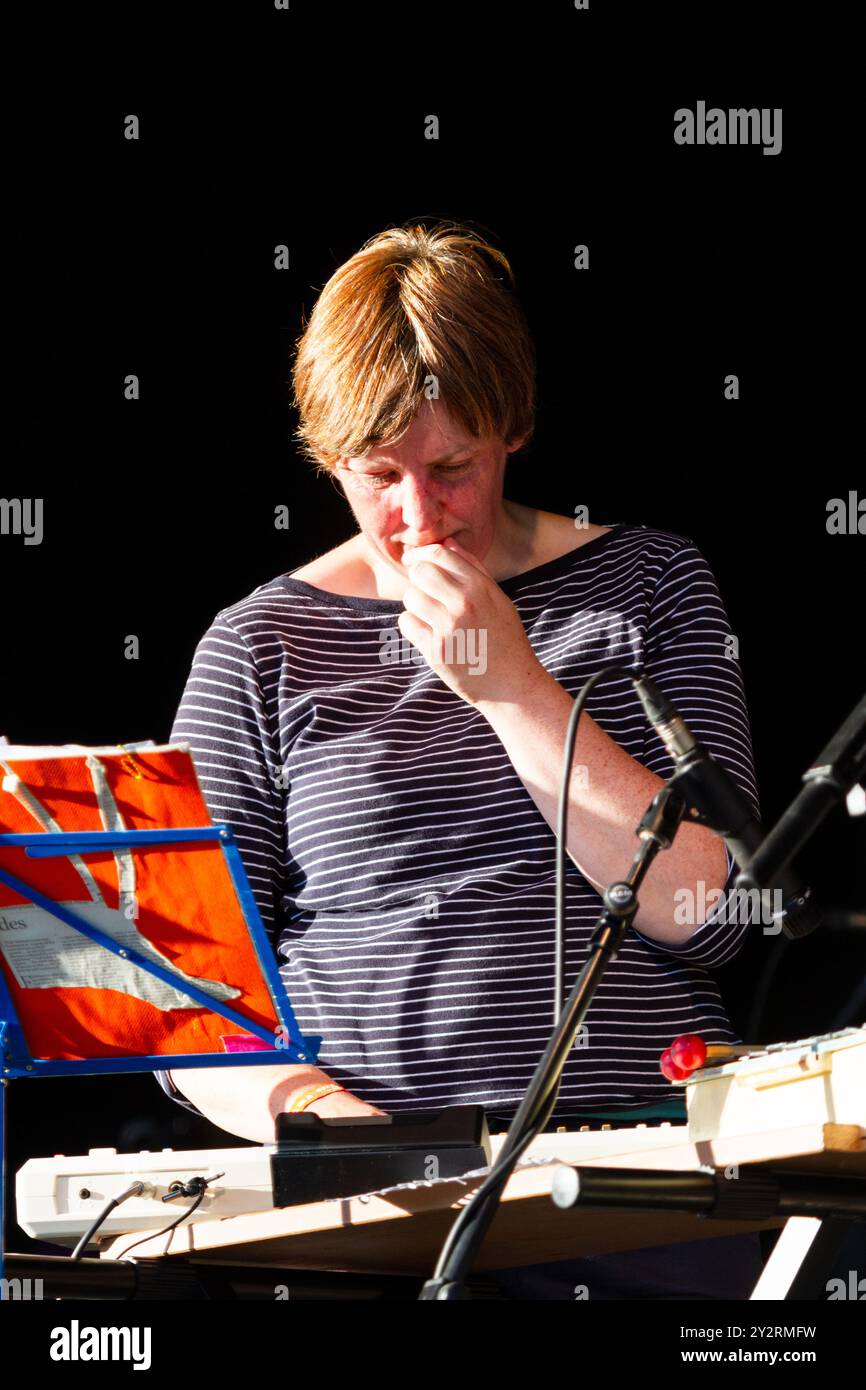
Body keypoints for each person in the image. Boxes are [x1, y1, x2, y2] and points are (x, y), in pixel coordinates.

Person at [154, 221, 764, 1297]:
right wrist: (317, 1115)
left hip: (643, 1192)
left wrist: (513, 690)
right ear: (326, 458)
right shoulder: (256, 645)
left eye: (451, 467)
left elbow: (711, 910)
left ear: (512, 430)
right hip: (372, 1212)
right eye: (377, 475)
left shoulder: (651, 583)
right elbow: (186, 992)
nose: (417, 516)